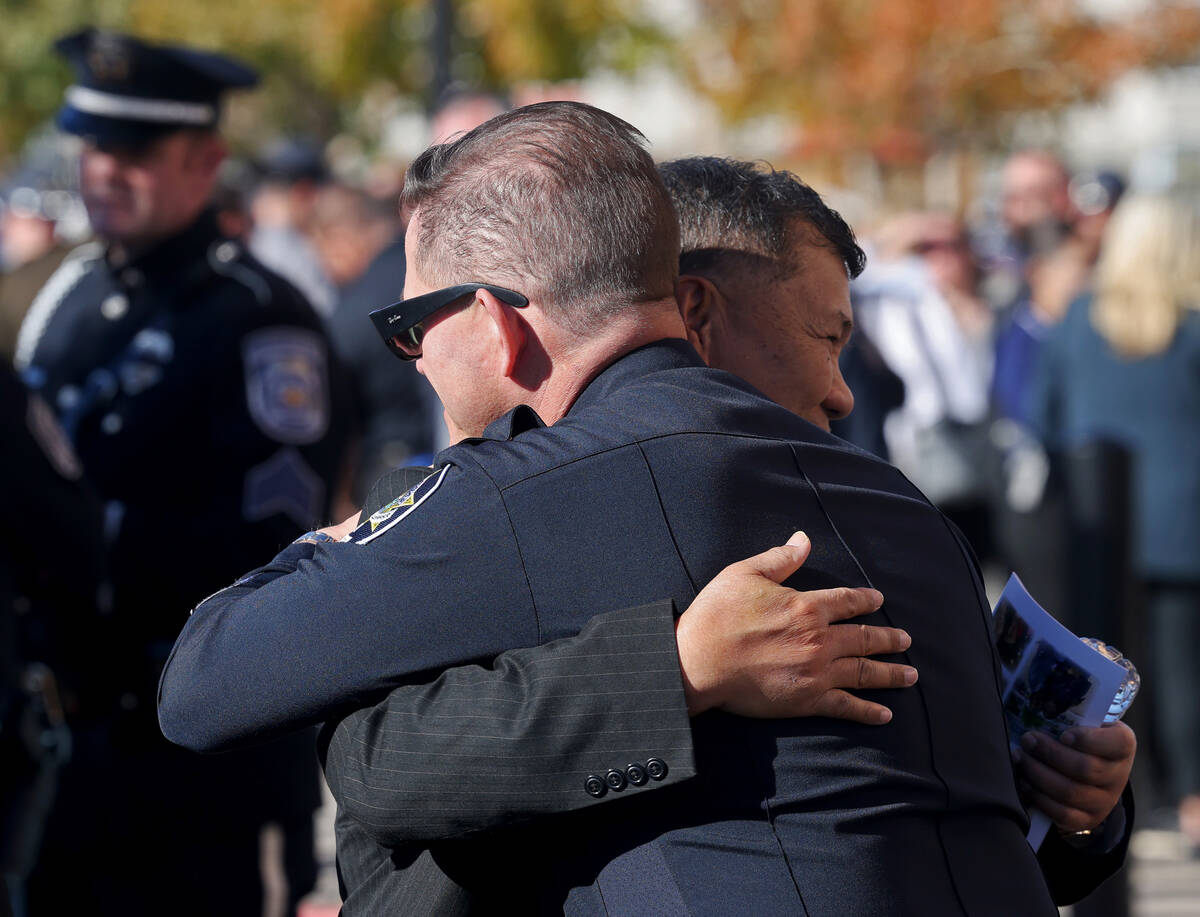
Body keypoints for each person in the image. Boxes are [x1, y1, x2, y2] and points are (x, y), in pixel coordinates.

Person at [161, 102, 1074, 914]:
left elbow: (204, 681)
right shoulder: (904, 507)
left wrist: (337, 544)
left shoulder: (518, 492)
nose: (414, 358)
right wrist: (675, 671)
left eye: (412, 327)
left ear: (495, 322)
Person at [14, 28, 350, 916]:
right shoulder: (66, 293)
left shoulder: (257, 315)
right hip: (69, 729)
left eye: (136, 152)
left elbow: (276, 536)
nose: (105, 172)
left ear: (205, 161)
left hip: (197, 741)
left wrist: (86, 546)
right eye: (94, 146)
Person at [1029, 194, 1200, 849]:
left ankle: (1124, 802)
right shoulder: (1191, 325)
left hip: (1095, 522)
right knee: (1184, 668)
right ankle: (1190, 800)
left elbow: (1039, 417)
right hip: (1184, 521)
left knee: (1111, 668)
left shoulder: (1076, 320)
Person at [310, 182, 440, 510]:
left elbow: (334, 424)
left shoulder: (353, 312)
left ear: (340, 239)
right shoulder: (437, 273)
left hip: (387, 480)